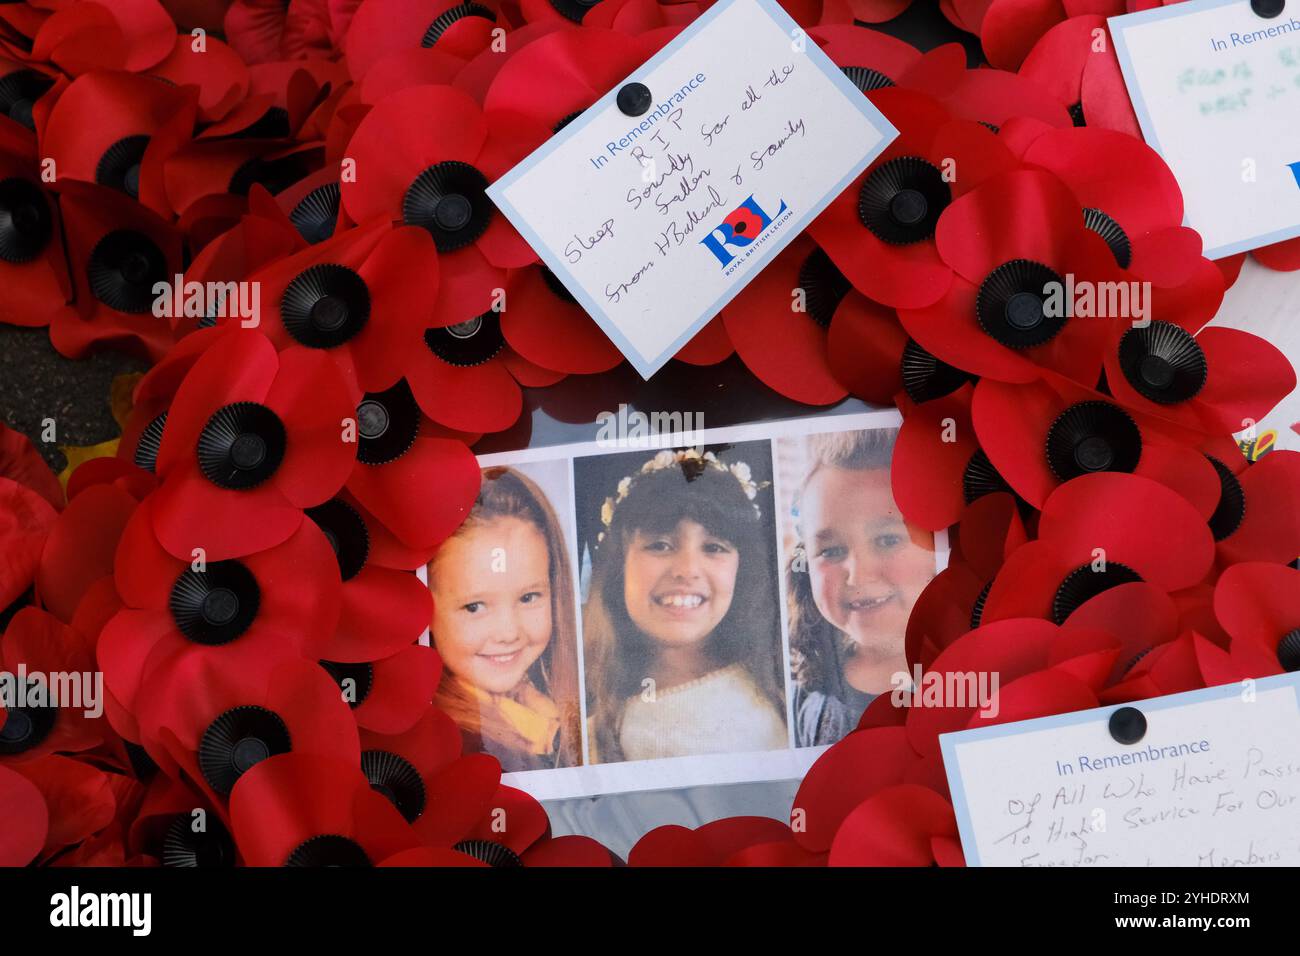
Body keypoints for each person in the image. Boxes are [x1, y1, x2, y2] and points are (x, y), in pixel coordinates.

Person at [583, 447, 787, 764]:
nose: (686, 569)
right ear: (620, 563)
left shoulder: (782, 685)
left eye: (714, 547)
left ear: (741, 570)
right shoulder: (594, 728)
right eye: (660, 545)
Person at [786, 429, 936, 747]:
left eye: (888, 540)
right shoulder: (806, 689)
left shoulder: (974, 685)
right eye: (831, 551)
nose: (857, 576)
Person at [428, 466, 581, 771]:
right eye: (475, 607)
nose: (509, 632)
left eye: (528, 598)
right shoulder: (454, 746)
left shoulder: (547, 707)